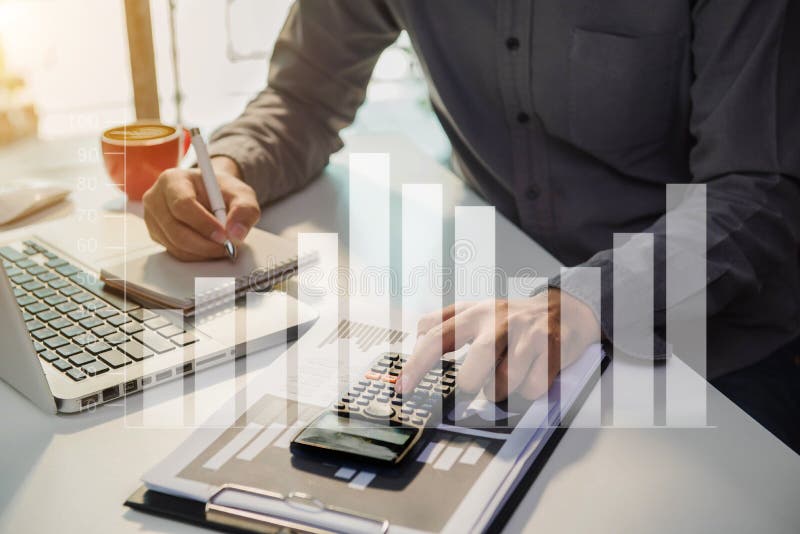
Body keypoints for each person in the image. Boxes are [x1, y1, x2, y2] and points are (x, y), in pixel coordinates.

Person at [143, 1, 800, 452]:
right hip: (501, 322)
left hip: (717, 346)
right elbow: (304, 96)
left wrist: (583, 300)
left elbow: (758, 191)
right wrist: (226, 167)